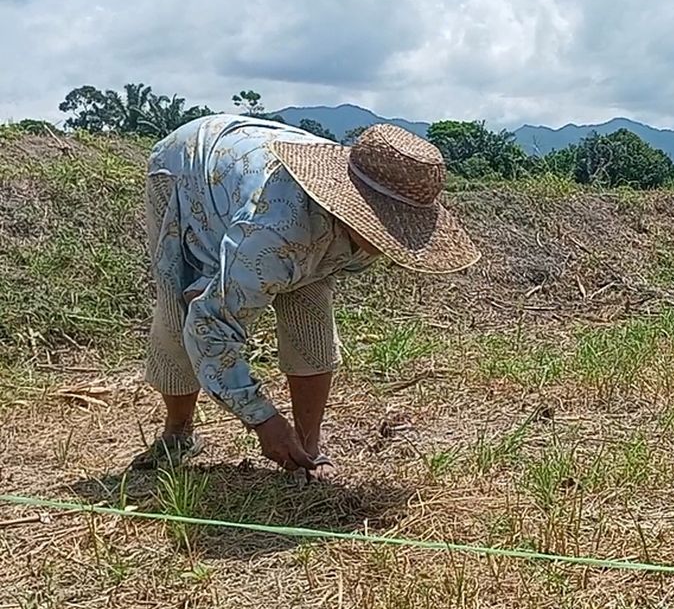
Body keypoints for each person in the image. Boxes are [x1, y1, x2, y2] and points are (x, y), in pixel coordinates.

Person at [134, 113, 479, 479]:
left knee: (311, 314)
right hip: (187, 167)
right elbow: (210, 327)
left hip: (276, 193)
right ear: (353, 209)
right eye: (387, 228)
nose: (389, 243)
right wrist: (263, 420)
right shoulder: (270, 231)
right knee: (178, 308)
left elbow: (313, 274)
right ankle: (178, 433)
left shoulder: (368, 197)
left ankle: (307, 449)